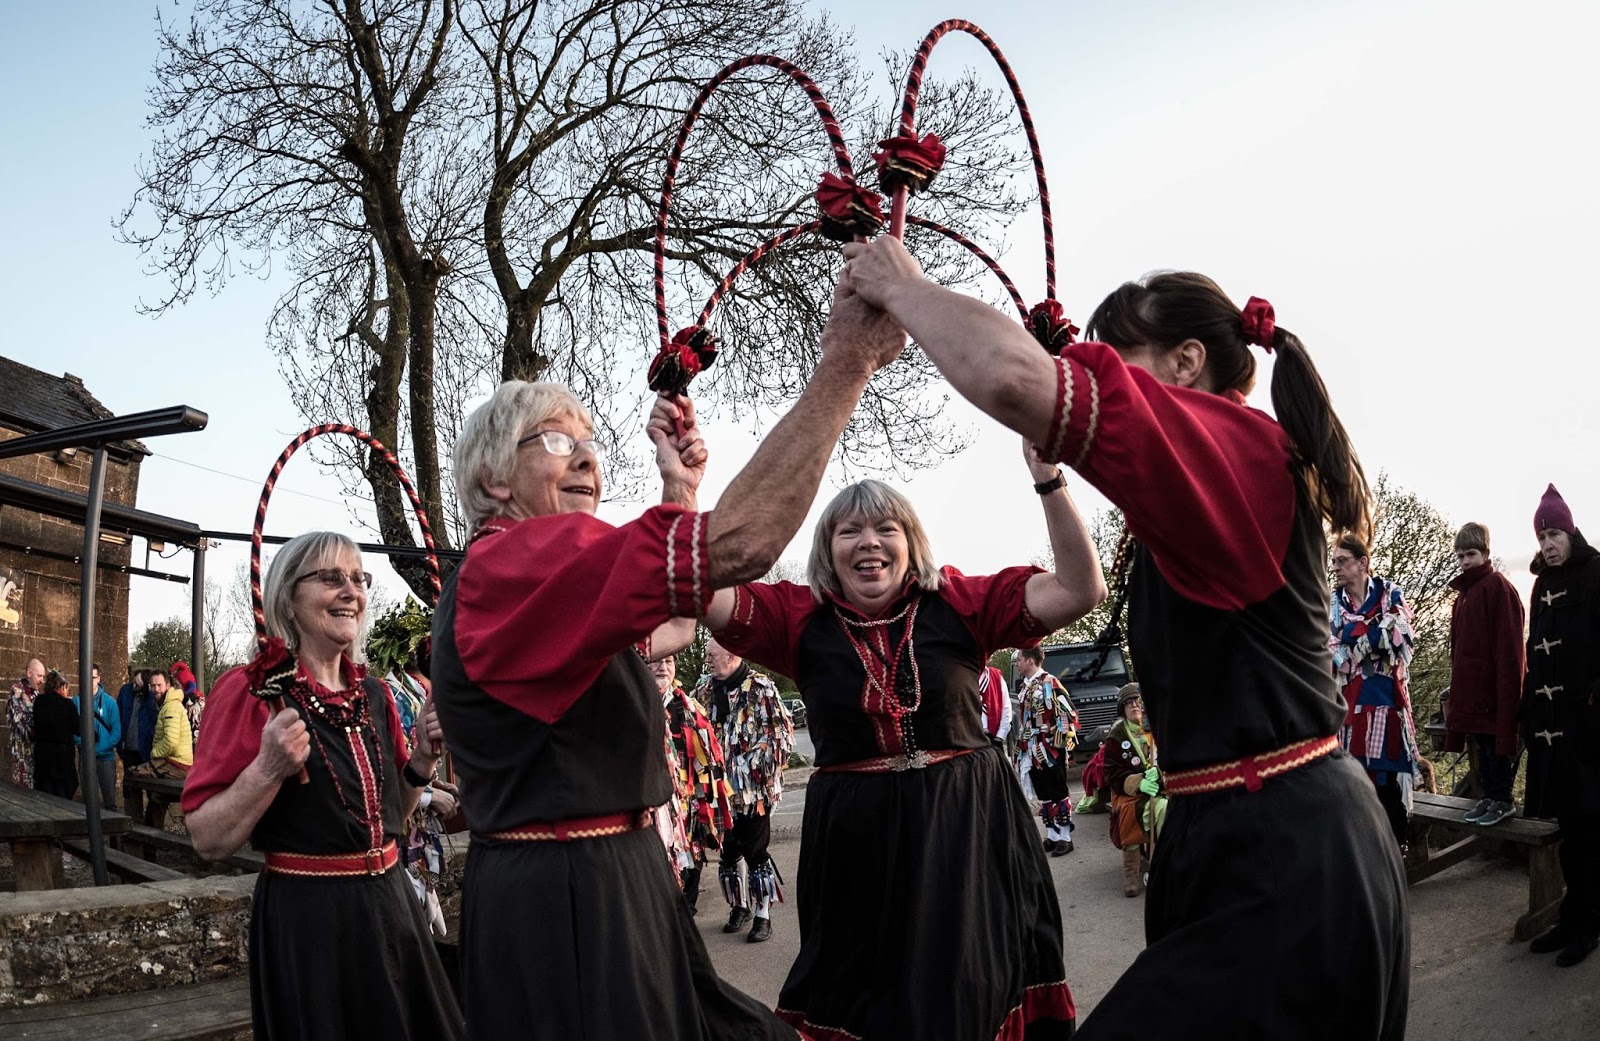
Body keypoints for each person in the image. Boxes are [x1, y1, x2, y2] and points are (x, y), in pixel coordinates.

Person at [842, 238, 1408, 1040]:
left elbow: (1010, 376)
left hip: (1280, 859)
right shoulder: (1221, 471)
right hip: (1244, 831)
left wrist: (906, 287)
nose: (1101, 374)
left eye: (1116, 356)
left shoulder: (1238, 451)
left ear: (1185, 361)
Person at [430, 279, 904, 1040]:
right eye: (556, 442)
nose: (586, 460)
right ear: (492, 479)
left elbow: (672, 615)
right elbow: (745, 543)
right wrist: (845, 365)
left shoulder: (529, 574)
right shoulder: (515, 564)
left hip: (600, 879)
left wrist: (677, 492)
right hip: (574, 904)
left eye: (590, 445)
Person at [705, 464, 1103, 1040]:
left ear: (910, 540)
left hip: (966, 831)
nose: (869, 541)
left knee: (972, 987)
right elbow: (700, 590)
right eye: (849, 531)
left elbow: (1080, 590)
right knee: (866, 995)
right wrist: (685, 489)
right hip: (856, 841)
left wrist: (1048, 480)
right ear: (827, 550)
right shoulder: (796, 619)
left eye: (886, 527)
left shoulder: (961, 601)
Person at [180, 531, 463, 1039]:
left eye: (358, 578)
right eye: (331, 578)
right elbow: (206, 838)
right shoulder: (252, 693)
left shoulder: (373, 695)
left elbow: (392, 816)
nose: (350, 591)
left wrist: (420, 760)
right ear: (288, 594)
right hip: (311, 923)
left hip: (392, 906)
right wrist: (266, 770)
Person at [1520, 484, 1600, 968]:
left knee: (1592, 829)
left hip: (1589, 727)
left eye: (1554, 534)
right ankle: (1571, 915)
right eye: (1541, 536)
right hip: (1552, 728)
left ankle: (1588, 923)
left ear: (1570, 532)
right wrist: (1529, 708)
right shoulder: (1541, 584)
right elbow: (1536, 652)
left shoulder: (1596, 572)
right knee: (1569, 828)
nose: (1548, 544)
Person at [697, 639, 792, 942]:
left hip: (752, 794)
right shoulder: (703, 690)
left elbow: (780, 736)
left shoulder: (761, 688)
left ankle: (763, 914)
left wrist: (745, 770)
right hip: (716, 793)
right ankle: (740, 906)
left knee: (755, 852)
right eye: (707, 654)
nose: (708, 659)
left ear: (732, 654)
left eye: (712, 654)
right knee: (726, 853)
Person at [1331, 535, 1421, 847]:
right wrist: (1371, 637)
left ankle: (1397, 852)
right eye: (1334, 561)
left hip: (1387, 702)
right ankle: (1364, 855)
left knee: (1387, 785)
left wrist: (1353, 637)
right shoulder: (1333, 605)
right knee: (1354, 784)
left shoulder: (1390, 592)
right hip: (1351, 710)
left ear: (1363, 562)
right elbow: (1332, 653)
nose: (1336, 567)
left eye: (1342, 560)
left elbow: (1397, 637)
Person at [1445, 522, 1526, 825]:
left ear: (1486, 553)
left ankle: (1503, 799)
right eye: (1460, 556)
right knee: (1481, 747)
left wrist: (1507, 689)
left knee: (1497, 746)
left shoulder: (1498, 588)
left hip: (1494, 691)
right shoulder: (1463, 595)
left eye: (1471, 554)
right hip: (1472, 692)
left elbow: (1510, 648)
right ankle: (1489, 797)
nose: (1465, 561)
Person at [653, 653, 733, 914]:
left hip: (687, 813)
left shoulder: (689, 707)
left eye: (669, 661)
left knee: (688, 877)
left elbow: (708, 762)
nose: (663, 668)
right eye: (656, 661)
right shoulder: (627, 705)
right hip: (649, 813)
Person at [1016, 645, 1079, 855]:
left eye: (1019, 660)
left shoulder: (1050, 682)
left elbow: (1067, 712)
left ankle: (1065, 838)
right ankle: (1052, 836)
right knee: (1043, 792)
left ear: (1030, 660)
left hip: (1049, 746)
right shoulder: (1024, 686)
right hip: (1032, 748)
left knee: (1058, 790)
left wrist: (1056, 738)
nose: (1017, 664)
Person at [1103, 684, 1164, 897]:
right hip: (1128, 794)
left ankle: (1166, 866)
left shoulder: (1156, 729)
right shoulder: (1116, 737)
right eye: (1129, 703)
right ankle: (1131, 874)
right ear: (1123, 709)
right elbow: (1111, 775)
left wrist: (1161, 775)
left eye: (1137, 702)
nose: (1134, 706)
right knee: (1132, 815)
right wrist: (1138, 782)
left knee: (1170, 808)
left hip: (1161, 790)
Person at [72, 663, 121, 809]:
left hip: (105, 758)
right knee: (88, 801)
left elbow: (116, 732)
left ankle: (113, 832)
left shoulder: (110, 702)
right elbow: (73, 730)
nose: (90, 681)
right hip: (86, 757)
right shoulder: (76, 702)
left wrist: (98, 748)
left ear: (98, 678)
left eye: (93, 677)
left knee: (110, 801)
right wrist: (86, 747)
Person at [133, 670, 193, 779]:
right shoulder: (166, 704)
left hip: (176, 763)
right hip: (173, 760)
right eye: (153, 686)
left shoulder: (171, 707)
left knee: (135, 775)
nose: (156, 689)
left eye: (159, 685)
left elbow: (171, 742)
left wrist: (154, 753)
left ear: (168, 685)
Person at [31, 670, 80, 799]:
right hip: (61, 759)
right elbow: (78, 728)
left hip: (43, 756)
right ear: (63, 686)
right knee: (63, 794)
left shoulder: (39, 702)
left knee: (45, 794)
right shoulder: (67, 704)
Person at [8, 657, 44, 787]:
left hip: (34, 751)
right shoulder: (17, 689)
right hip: (22, 751)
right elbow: (19, 721)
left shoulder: (36, 693)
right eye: (39, 676)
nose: (42, 680)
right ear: (29, 673)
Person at [978, 661, 1012, 745]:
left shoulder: (995, 676)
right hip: (968, 738)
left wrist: (1001, 735)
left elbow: (1006, 706)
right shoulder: (961, 676)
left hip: (992, 736)